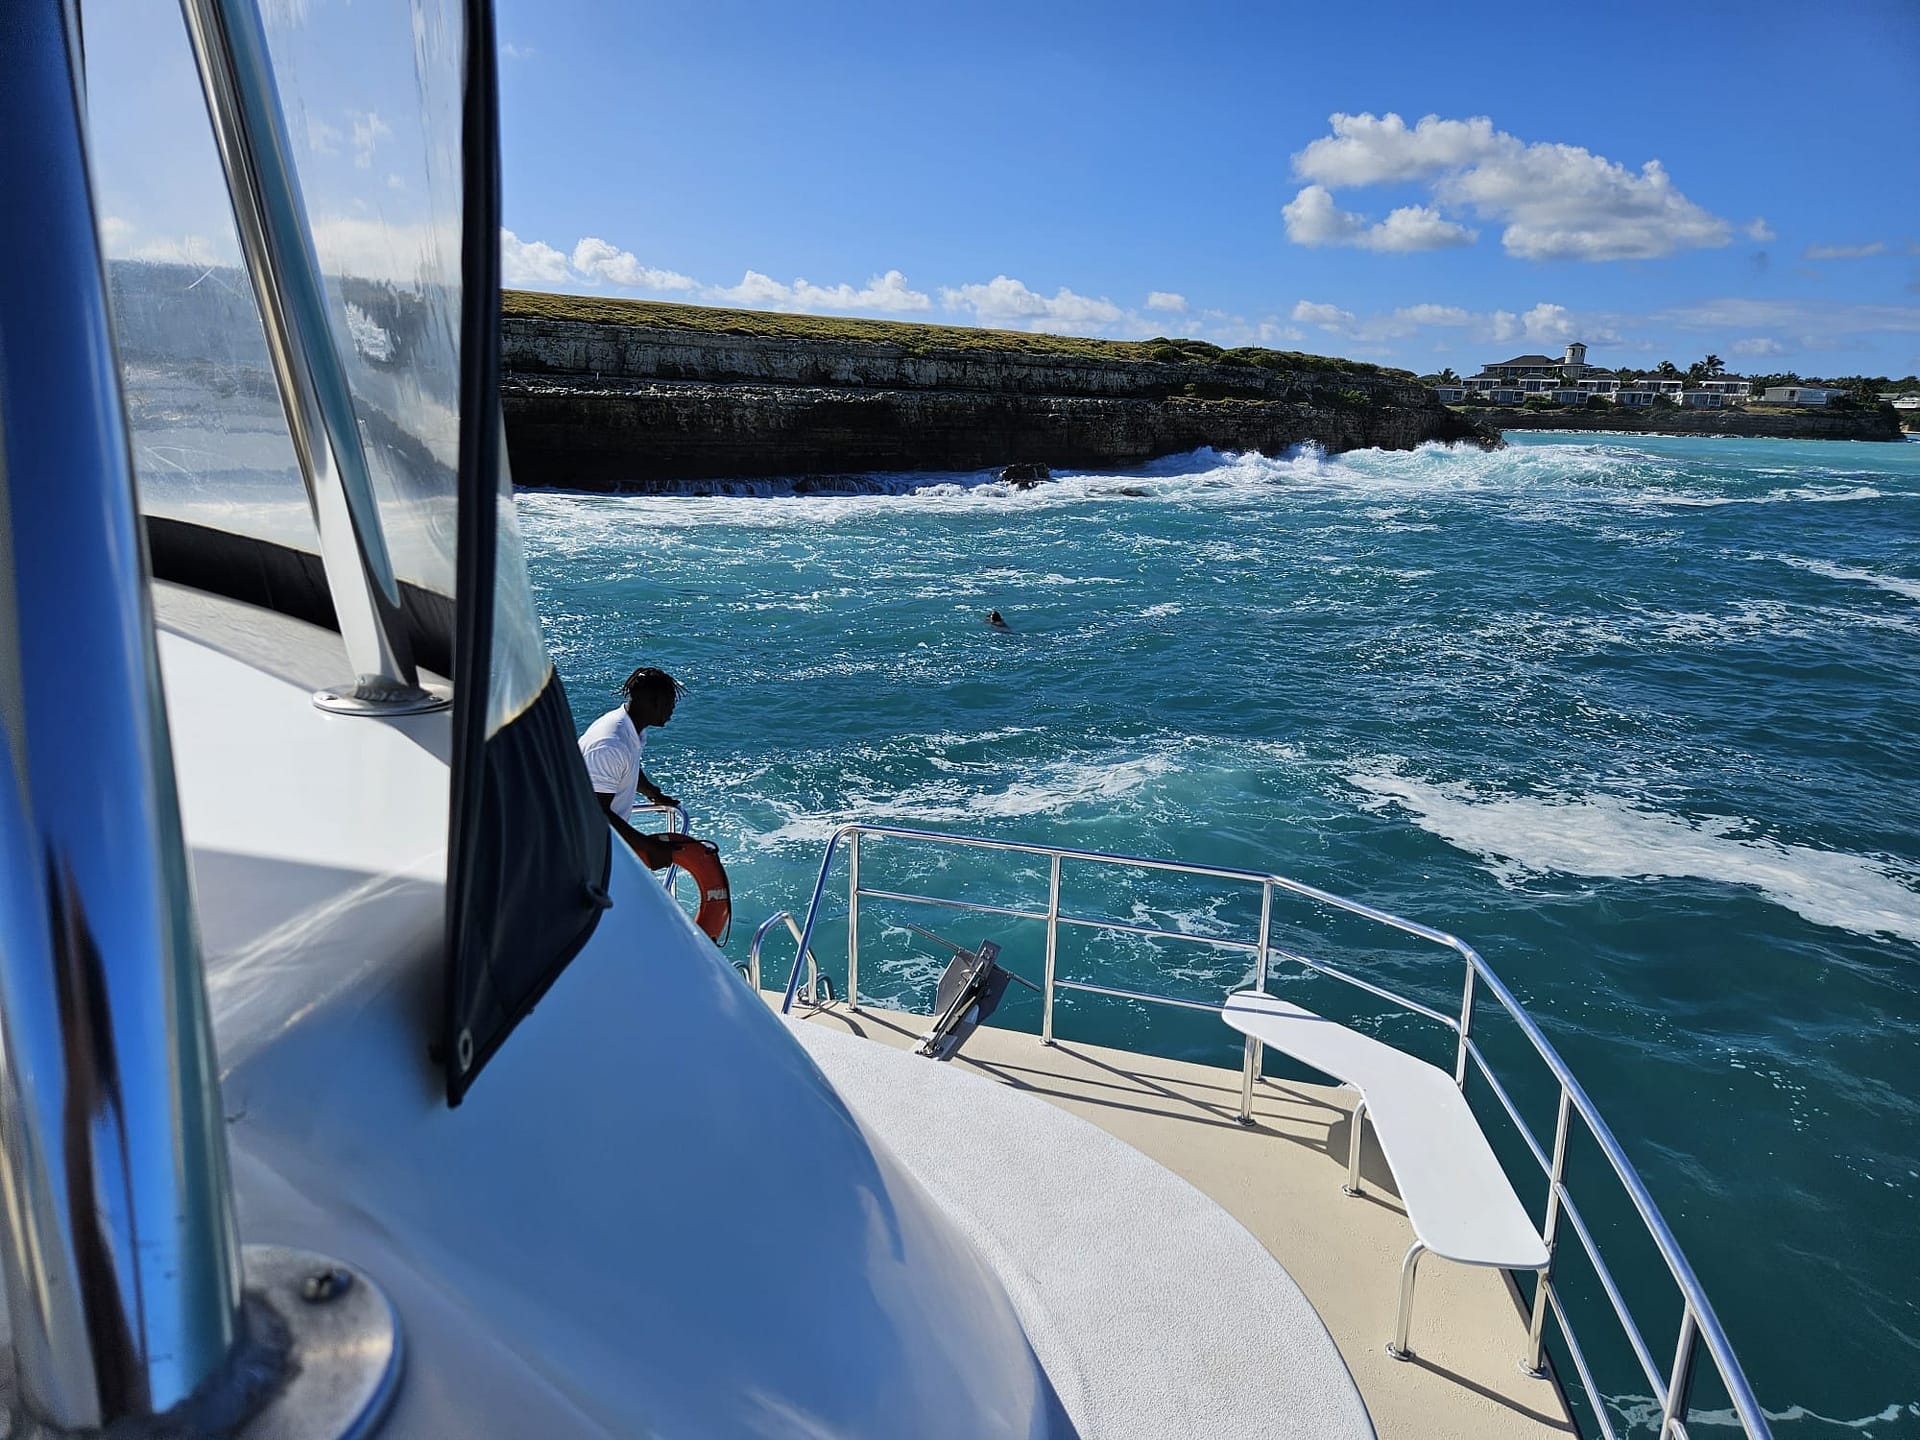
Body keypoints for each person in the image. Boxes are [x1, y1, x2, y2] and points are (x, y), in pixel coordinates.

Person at [580, 666, 681, 867]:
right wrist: (649, 847)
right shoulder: (610, 744)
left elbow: (626, 767)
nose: (672, 709)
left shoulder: (628, 730)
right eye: (669, 703)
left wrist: (652, 793)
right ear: (652, 702)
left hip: (599, 844)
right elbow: (596, 812)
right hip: (582, 851)